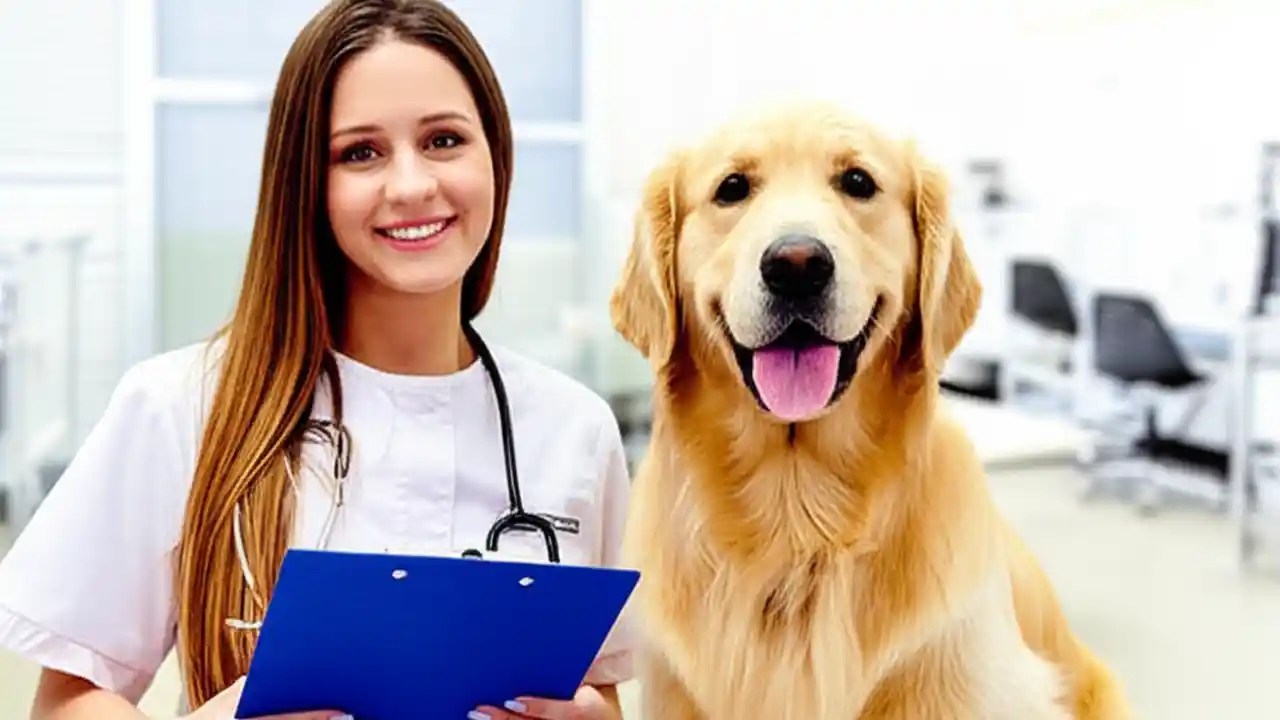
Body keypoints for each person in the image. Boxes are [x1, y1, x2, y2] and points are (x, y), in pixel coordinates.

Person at [0, 1, 635, 718]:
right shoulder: (179, 406)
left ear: (496, 155)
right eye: (359, 152)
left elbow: (598, 689)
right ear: (307, 182)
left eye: (444, 140)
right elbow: (67, 701)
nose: (411, 185)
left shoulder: (574, 430)